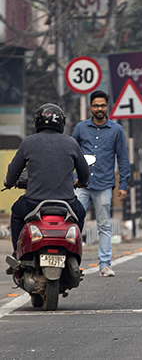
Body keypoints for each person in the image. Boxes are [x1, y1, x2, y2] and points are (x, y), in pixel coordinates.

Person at [4, 104, 89, 268]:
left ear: (38, 122)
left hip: (33, 203)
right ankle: (74, 250)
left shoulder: (28, 142)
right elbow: (84, 172)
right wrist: (82, 182)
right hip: (67, 204)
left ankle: (17, 254)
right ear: (61, 123)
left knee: (16, 213)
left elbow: (13, 171)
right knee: (81, 212)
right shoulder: (71, 143)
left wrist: (9, 182)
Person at [72, 90, 130, 278]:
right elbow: (70, 154)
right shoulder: (80, 128)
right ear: (90, 107)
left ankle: (105, 264)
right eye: (96, 105)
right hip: (81, 184)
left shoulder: (116, 130)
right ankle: (72, 265)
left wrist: (123, 185)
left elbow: (122, 158)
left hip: (104, 184)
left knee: (103, 226)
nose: (99, 109)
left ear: (107, 107)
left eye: (102, 105)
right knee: (74, 224)